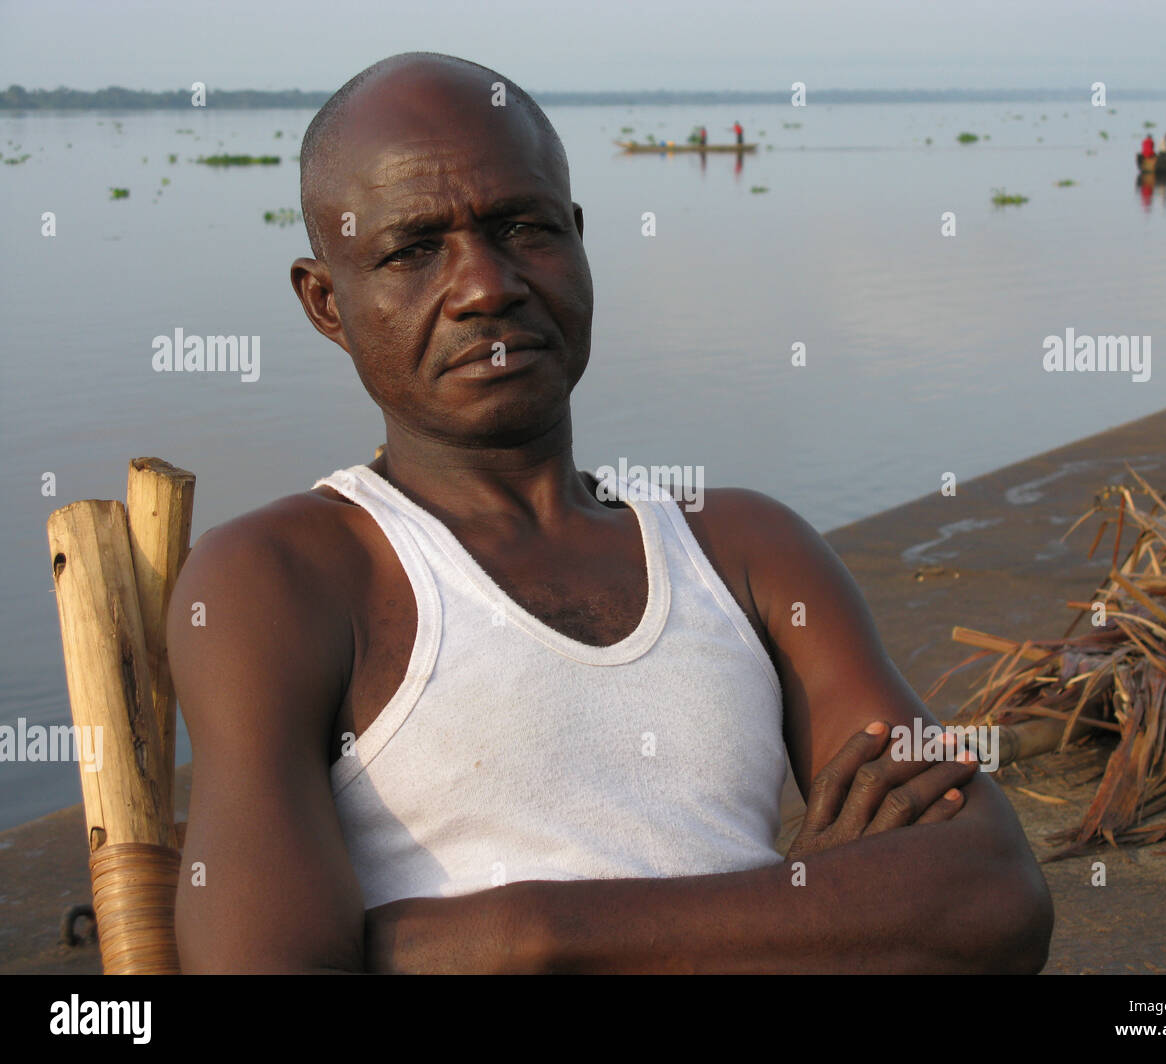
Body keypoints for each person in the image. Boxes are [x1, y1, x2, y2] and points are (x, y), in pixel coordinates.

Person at [169, 51, 1052, 975]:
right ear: (326, 304)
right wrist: (806, 909)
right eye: (414, 249)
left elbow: (990, 897)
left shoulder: (747, 548)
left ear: (578, 239)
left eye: (523, 227)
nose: (486, 285)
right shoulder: (281, 577)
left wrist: (519, 939)